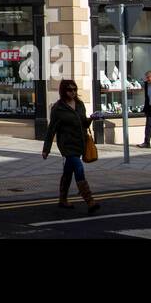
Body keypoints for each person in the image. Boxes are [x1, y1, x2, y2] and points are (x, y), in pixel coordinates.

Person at [42, 79, 101, 213]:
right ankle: (90, 201)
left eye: (75, 89)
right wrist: (46, 149)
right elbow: (51, 129)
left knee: (68, 171)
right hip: (67, 145)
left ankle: (62, 200)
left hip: (80, 143)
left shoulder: (79, 105)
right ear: (63, 91)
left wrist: (91, 118)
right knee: (78, 169)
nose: (73, 92)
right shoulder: (58, 108)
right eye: (69, 90)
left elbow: (83, 124)